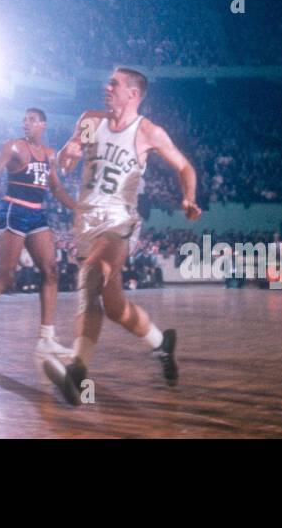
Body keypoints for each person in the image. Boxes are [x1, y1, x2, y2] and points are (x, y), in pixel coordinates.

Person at [41, 68, 199, 405]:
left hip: (120, 221)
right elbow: (72, 151)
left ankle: (77, 373)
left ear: (133, 94)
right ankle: (161, 343)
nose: (106, 86)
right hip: (86, 222)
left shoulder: (148, 132)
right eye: (107, 81)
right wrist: (67, 155)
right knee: (115, 308)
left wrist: (188, 198)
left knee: (91, 276)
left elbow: (185, 167)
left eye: (114, 83)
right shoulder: (91, 118)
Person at [0, 108, 77, 359]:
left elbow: (55, 188)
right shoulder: (13, 147)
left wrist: (79, 209)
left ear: (43, 125)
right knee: (6, 274)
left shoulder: (50, 155)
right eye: (24, 119)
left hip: (36, 213)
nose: (26, 123)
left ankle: (46, 338)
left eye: (32, 120)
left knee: (50, 270)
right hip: (14, 209)